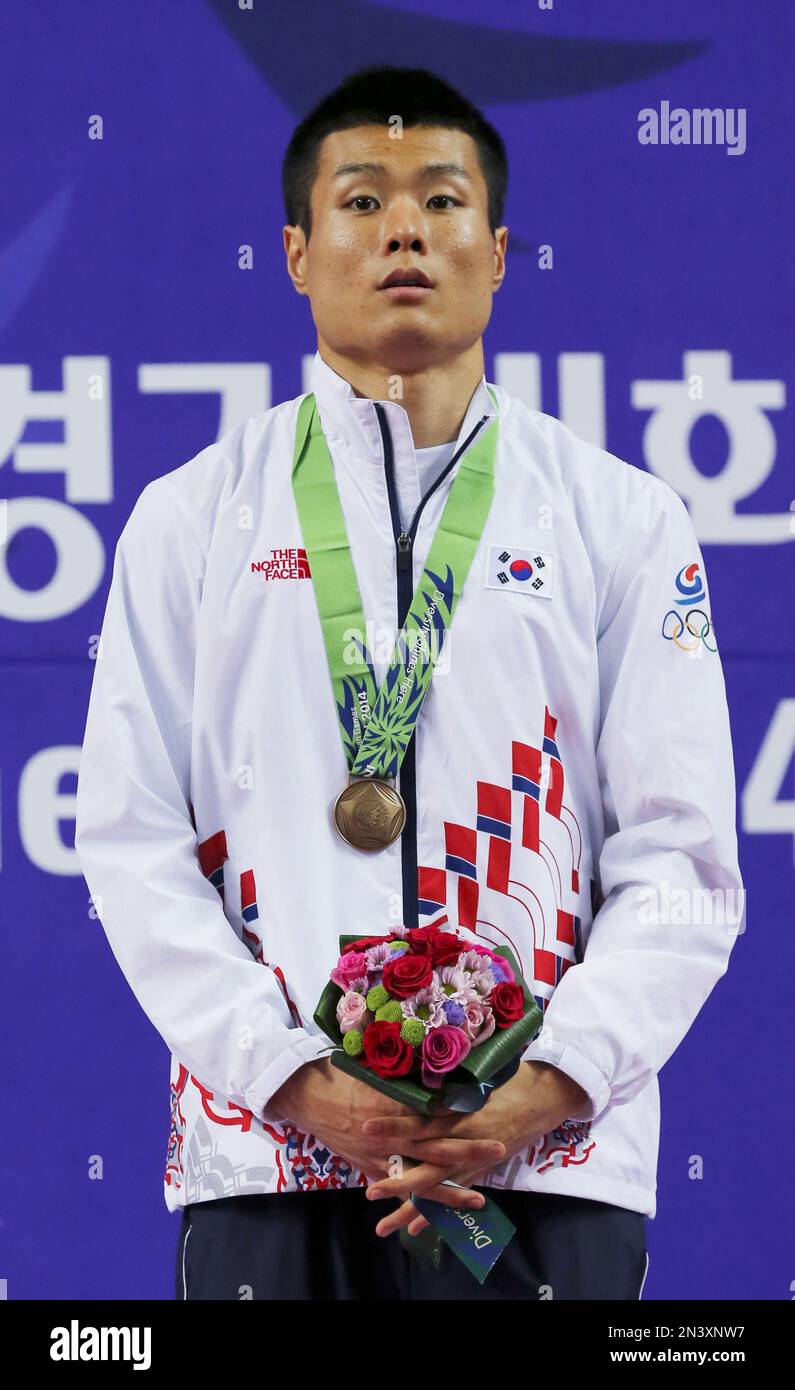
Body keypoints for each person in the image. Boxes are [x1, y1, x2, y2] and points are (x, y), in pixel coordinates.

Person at [74, 64, 744, 1301]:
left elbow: (683, 857)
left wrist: (549, 1083)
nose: (402, 230)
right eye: (362, 200)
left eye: (441, 201)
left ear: (496, 252)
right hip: (267, 1162)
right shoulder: (190, 520)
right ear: (294, 252)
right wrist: (283, 1073)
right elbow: (127, 841)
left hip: (550, 1167)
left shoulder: (622, 519)